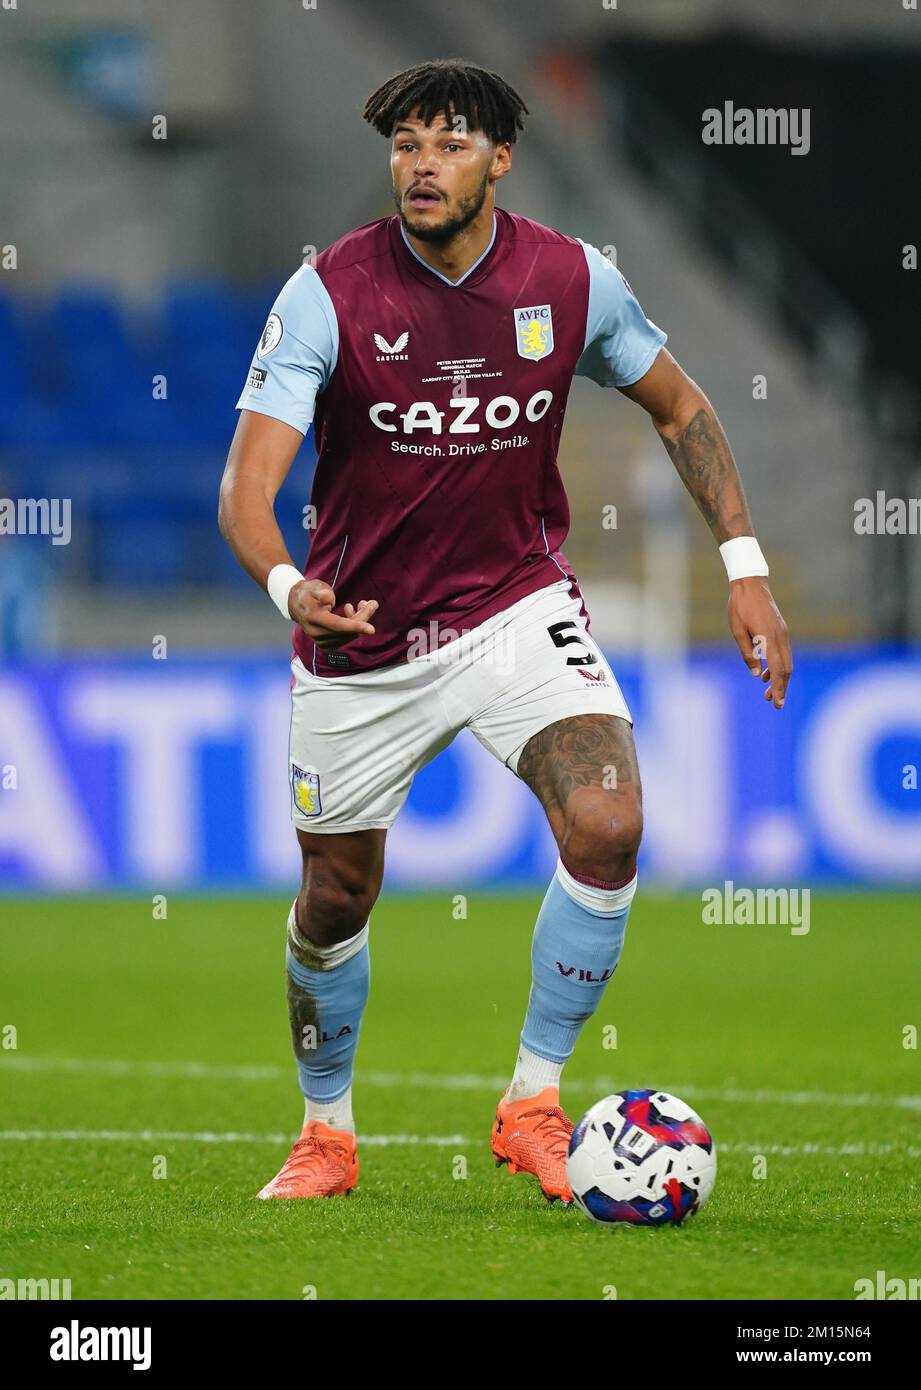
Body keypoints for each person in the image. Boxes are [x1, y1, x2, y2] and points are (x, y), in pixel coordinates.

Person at [218, 59, 792, 1205]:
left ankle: (531, 1100)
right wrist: (291, 587)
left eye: (448, 143)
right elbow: (247, 487)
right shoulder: (327, 293)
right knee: (336, 896)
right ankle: (326, 1133)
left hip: (513, 607)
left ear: (500, 158)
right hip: (361, 635)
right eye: (406, 145)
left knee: (610, 821)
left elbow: (681, 405)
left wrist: (745, 564)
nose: (421, 165)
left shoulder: (573, 281)